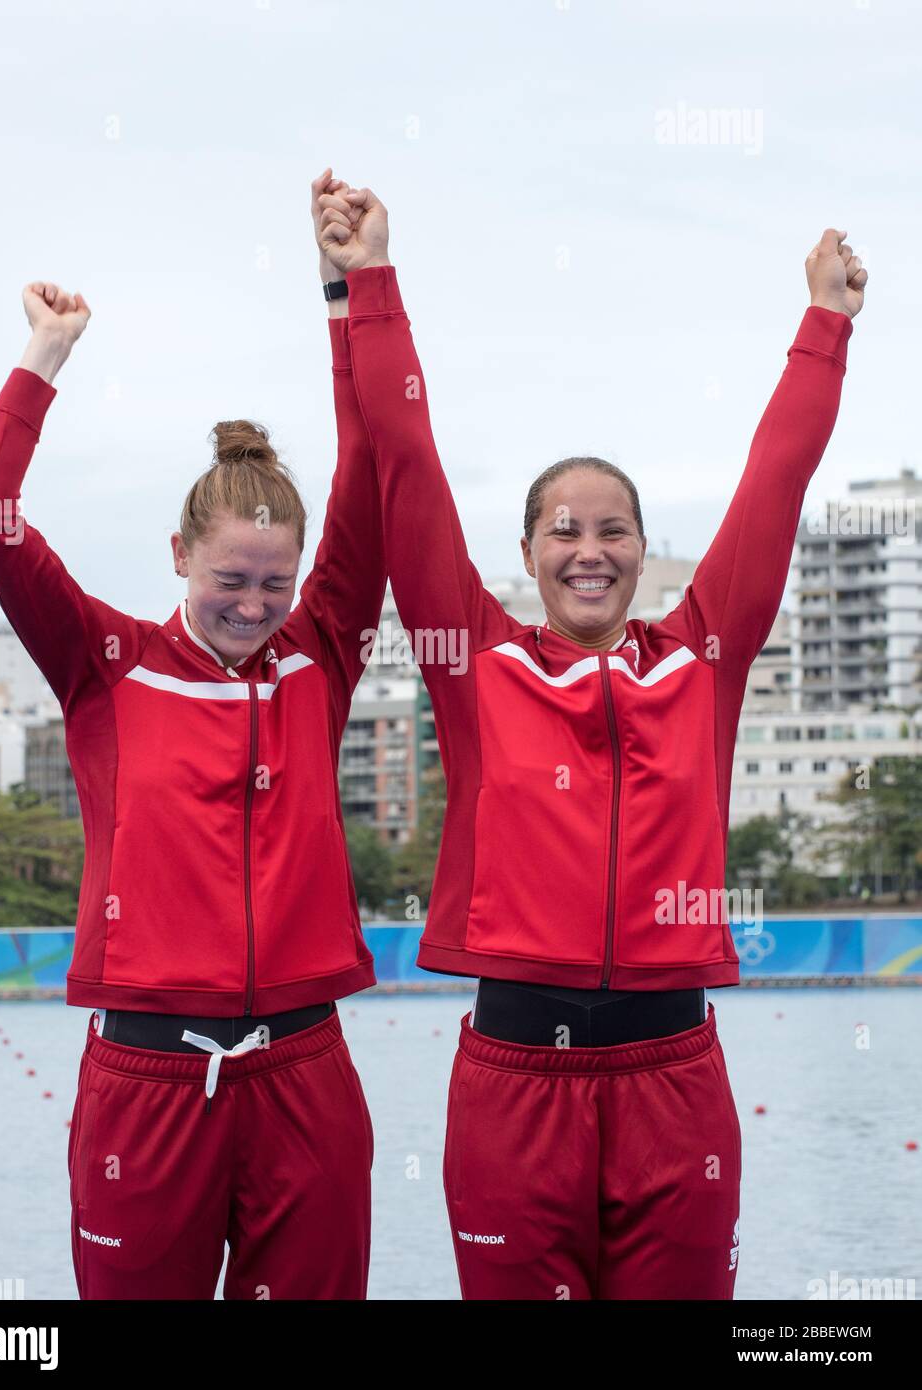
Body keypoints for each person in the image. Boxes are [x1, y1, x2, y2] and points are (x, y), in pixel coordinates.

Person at [315, 186, 866, 1298]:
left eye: (611, 528)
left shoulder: (699, 658)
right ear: (524, 551)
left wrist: (825, 325)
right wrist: (368, 282)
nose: (587, 548)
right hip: (514, 1085)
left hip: (676, 1082)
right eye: (562, 528)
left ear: (641, 549)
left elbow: (773, 482)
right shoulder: (474, 662)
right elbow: (406, 466)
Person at [0, 169, 384, 1300]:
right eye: (231, 579)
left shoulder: (323, 655)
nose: (255, 604)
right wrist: (43, 358)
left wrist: (348, 292)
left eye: (276, 583)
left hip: (304, 1076)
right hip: (144, 1085)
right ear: (179, 555)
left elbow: (377, 473)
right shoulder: (105, 664)